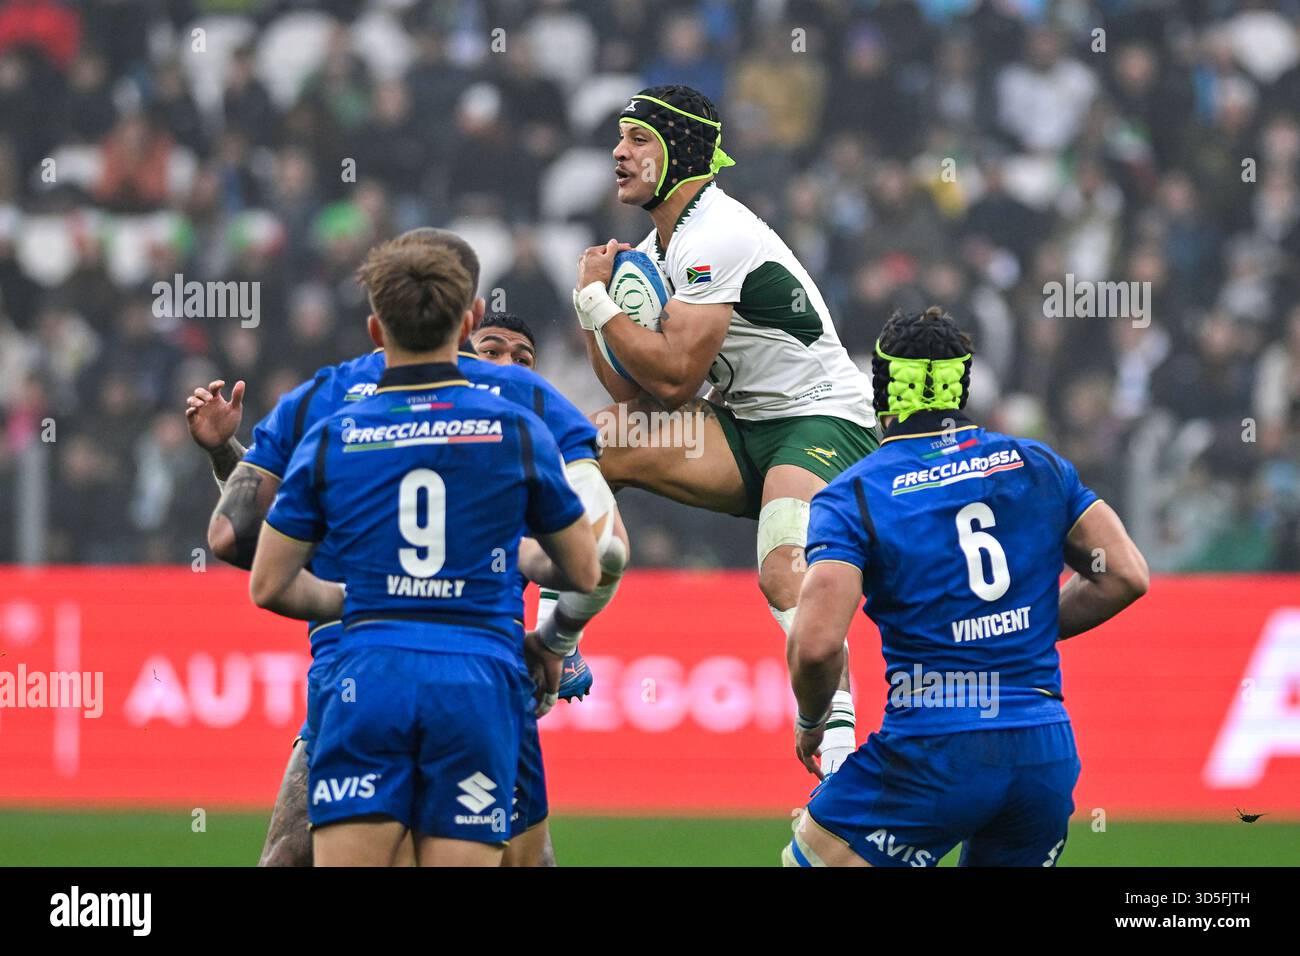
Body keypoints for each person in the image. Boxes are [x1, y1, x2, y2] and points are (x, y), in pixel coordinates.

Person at [186, 230, 627, 867]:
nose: (506, 363)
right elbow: (596, 552)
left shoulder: (327, 412)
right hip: (481, 673)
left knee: (288, 857)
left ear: (374, 326)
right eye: (493, 346)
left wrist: (366, 592)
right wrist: (554, 640)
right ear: (468, 322)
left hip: (361, 670)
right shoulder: (525, 415)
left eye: (521, 354)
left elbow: (240, 542)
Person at [573, 84, 879, 773]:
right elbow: (636, 390)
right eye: (619, 137)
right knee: (594, 445)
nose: (619, 152)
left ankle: (835, 750)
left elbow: (678, 378)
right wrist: (592, 310)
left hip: (821, 417)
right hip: (744, 426)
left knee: (781, 569)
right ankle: (558, 638)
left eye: (639, 139)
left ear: (681, 152)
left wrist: (598, 298)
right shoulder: (661, 248)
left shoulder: (716, 235)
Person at [783, 307, 1149, 867]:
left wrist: (814, 723)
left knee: (811, 855)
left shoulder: (854, 495)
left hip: (935, 749)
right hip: (1042, 750)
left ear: (880, 393)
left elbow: (815, 645)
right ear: (962, 387)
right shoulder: (1037, 464)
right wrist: (1021, 628)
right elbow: (1125, 574)